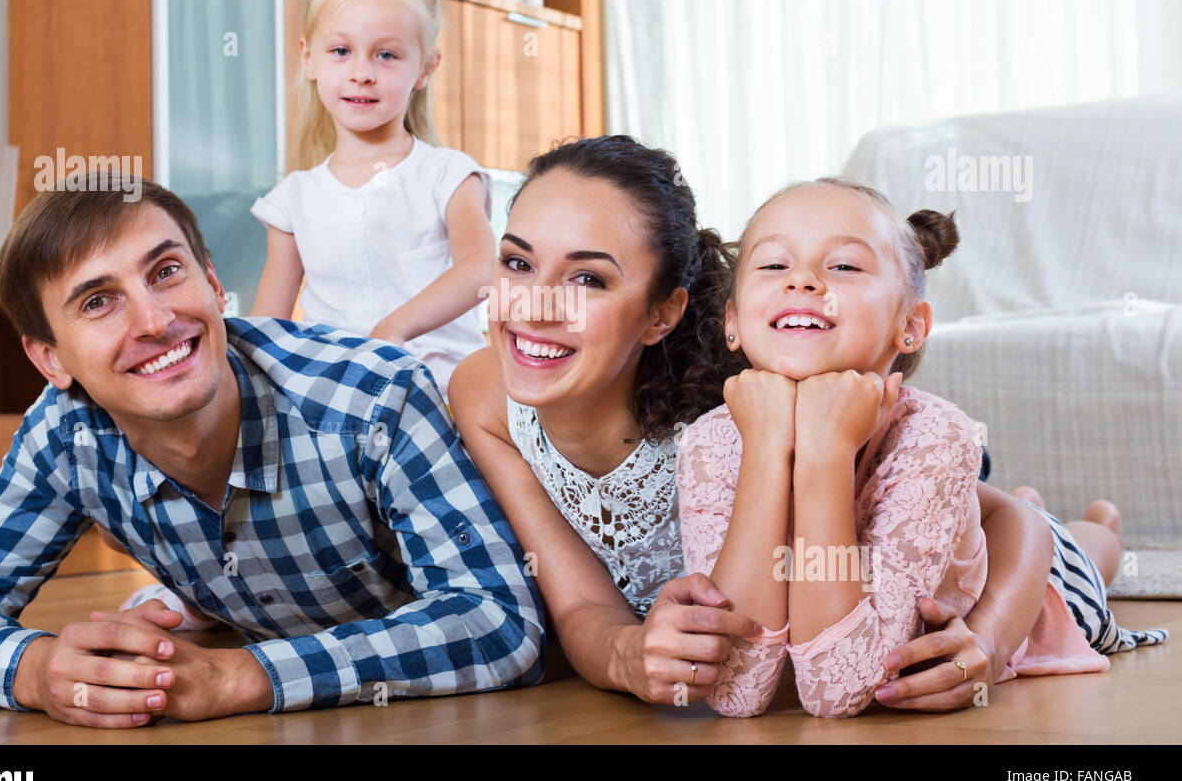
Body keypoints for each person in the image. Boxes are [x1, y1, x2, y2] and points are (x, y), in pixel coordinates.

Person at [0, 176, 544, 728]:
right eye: (99, 301)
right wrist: (36, 669)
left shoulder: (373, 398)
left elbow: (499, 619)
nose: (153, 321)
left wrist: (240, 677)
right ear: (50, 358)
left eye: (166, 272)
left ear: (212, 283)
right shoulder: (66, 435)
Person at [449, 135, 1056, 709]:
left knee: (1065, 551)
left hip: (932, 540)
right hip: (807, 636)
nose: (535, 304)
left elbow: (1013, 522)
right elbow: (581, 601)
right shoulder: (484, 395)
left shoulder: (749, 394)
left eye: (588, 278)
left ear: (662, 314)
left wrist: (991, 636)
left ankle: (1096, 532)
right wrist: (629, 656)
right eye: (517, 263)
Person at [676, 178, 1167, 717]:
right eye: (773, 265)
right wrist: (767, 452)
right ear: (732, 321)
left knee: (1082, 559)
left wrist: (825, 455)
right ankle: (1020, 509)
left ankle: (1100, 529)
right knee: (1005, 512)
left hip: (1021, 581)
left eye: (843, 266)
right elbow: (737, 691)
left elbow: (837, 693)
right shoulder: (706, 442)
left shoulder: (936, 434)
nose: (802, 280)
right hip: (965, 535)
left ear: (911, 326)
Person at [249, 0, 492, 400]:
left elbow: (481, 269)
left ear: (426, 68)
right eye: (340, 51)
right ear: (309, 60)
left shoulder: (449, 175)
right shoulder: (291, 201)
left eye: (386, 55)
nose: (361, 73)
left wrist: (393, 329)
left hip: (446, 394)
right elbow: (266, 328)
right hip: (341, 399)